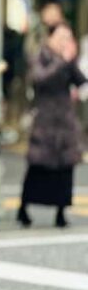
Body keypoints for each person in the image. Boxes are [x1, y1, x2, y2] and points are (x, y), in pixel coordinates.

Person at [18, 23, 86, 229]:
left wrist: (71, 61)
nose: (64, 41)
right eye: (60, 36)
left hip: (65, 121)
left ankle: (61, 211)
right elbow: (39, 79)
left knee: (64, 169)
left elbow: (81, 81)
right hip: (45, 120)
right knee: (39, 167)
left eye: (68, 36)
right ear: (50, 38)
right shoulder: (41, 56)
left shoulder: (68, 60)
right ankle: (24, 208)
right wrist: (62, 62)